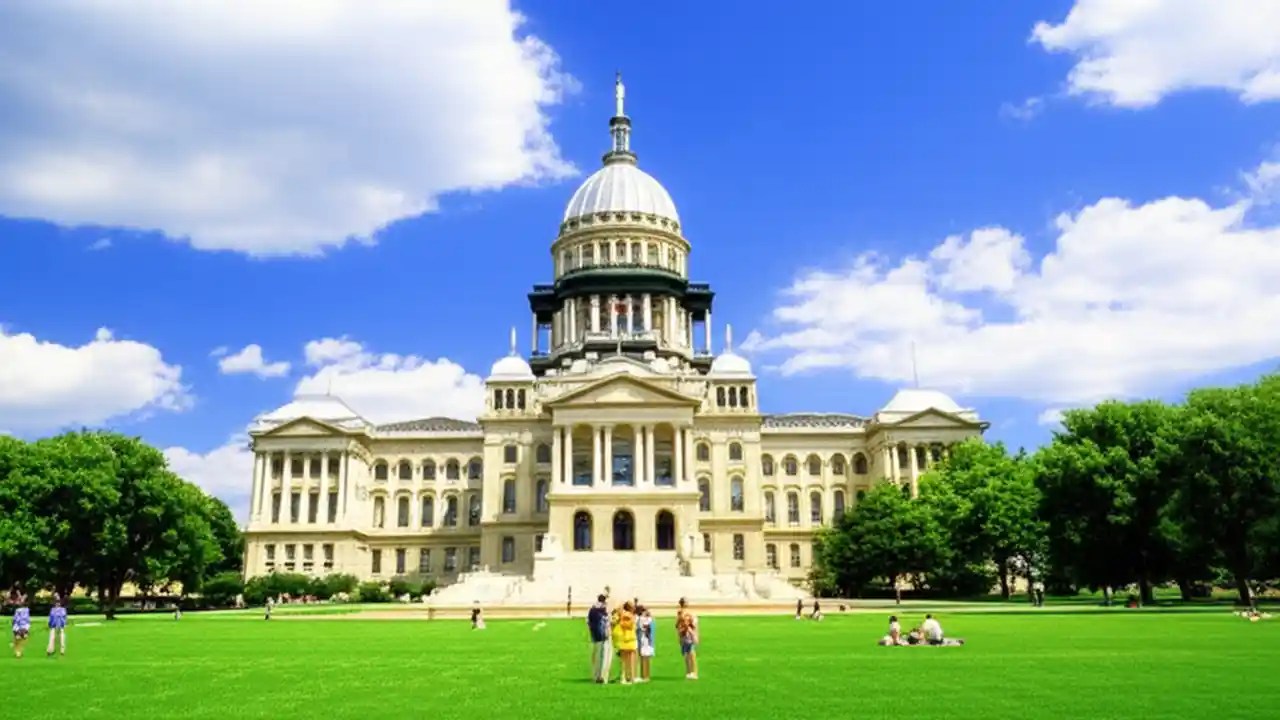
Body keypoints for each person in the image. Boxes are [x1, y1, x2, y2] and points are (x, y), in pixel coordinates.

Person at [586, 594, 610, 683]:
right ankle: (601, 676)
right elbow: (606, 622)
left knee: (595, 656)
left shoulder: (592, 609)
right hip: (603, 636)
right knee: (603, 657)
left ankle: (595, 675)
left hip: (594, 636)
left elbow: (588, 622)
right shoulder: (603, 610)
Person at [675, 597, 699, 680]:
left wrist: (695, 635)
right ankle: (689, 672)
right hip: (684, 635)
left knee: (691, 654)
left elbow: (694, 625)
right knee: (686, 655)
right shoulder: (680, 614)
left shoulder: (689, 614)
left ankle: (694, 672)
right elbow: (677, 626)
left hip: (689, 635)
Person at [616, 602, 638, 685]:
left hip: (627, 639)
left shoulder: (623, 615)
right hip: (628, 639)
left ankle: (627, 677)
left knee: (625, 660)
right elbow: (629, 625)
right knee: (628, 660)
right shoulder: (628, 615)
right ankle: (628, 677)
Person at [637, 605, 654, 683]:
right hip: (648, 641)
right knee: (647, 659)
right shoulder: (650, 619)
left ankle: (643, 675)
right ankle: (647, 675)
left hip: (643, 640)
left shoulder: (640, 619)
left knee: (643, 658)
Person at [11, 592, 31, 658]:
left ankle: (18, 652)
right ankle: (18, 652)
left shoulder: (24, 610)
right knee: (19, 639)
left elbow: (16, 619)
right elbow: (15, 620)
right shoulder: (22, 610)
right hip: (21, 626)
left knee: (20, 639)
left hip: (22, 627)